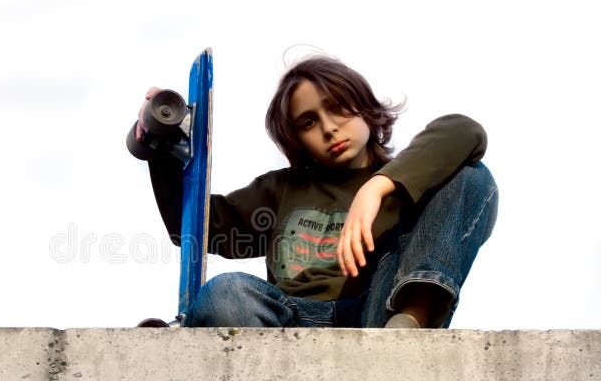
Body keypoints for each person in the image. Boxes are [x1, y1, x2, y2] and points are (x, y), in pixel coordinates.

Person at [136, 55, 498, 328]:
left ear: (363, 105)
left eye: (338, 108)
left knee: (470, 175)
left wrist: (377, 187)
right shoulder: (282, 189)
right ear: (297, 139)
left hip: (377, 313)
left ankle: (411, 325)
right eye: (308, 123)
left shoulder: (405, 177)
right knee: (226, 291)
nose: (328, 128)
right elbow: (193, 228)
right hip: (291, 318)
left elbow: (464, 131)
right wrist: (161, 147)